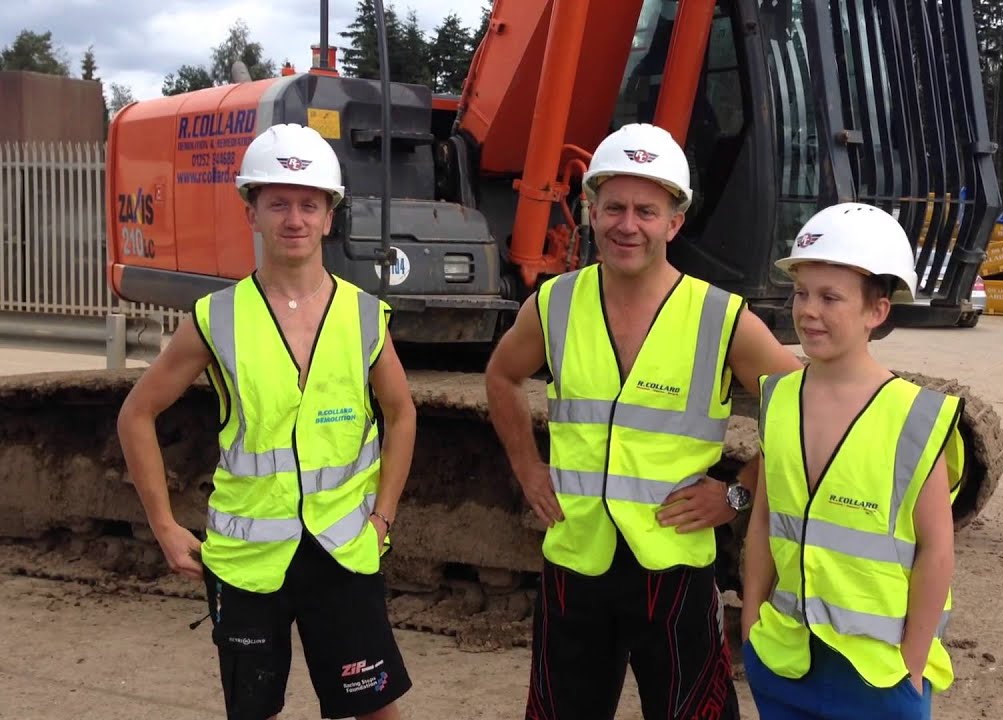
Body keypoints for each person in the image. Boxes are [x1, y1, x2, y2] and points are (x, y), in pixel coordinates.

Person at [484, 122, 803, 720]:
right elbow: (501, 378)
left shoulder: (719, 317)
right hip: (575, 561)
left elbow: (810, 414)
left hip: (674, 566)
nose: (628, 225)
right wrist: (528, 470)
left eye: (647, 211)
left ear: (674, 222)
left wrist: (738, 493)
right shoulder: (554, 304)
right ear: (592, 212)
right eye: (615, 208)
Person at [116, 123, 416, 720]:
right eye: (277, 203)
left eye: (310, 204)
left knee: (376, 710)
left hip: (343, 552)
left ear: (330, 215)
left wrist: (382, 517)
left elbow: (402, 412)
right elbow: (137, 414)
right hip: (249, 562)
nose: (295, 219)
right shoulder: (216, 318)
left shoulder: (363, 316)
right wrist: (163, 525)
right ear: (251, 211)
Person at [739, 202, 964, 720]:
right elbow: (765, 521)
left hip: (878, 675)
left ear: (876, 311)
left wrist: (909, 669)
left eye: (830, 297)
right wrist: (752, 620)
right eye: (801, 293)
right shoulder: (778, 399)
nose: (808, 310)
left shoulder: (915, 417)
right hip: (787, 660)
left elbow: (936, 551)